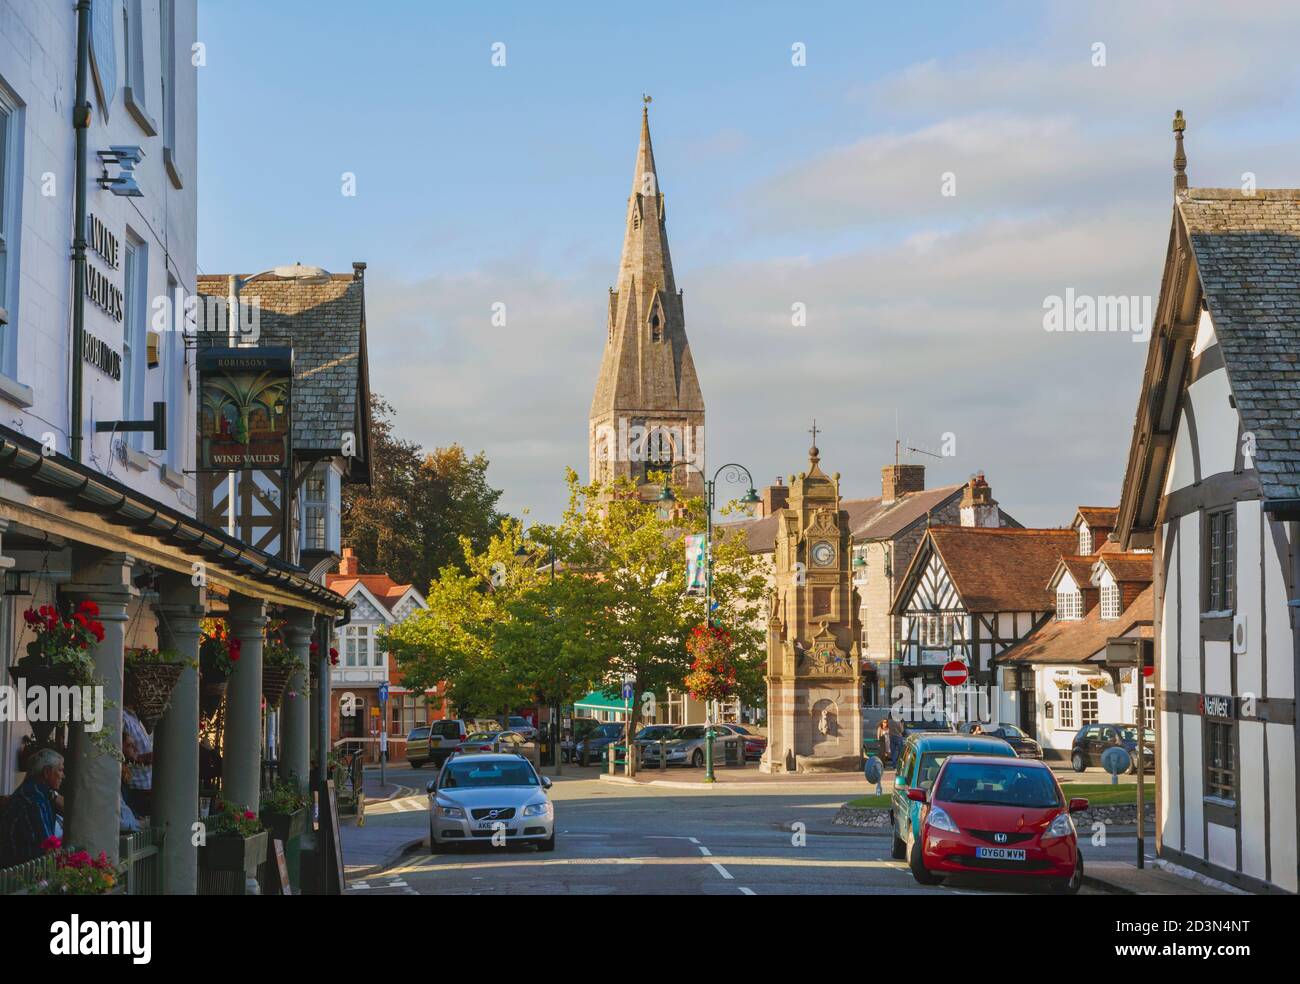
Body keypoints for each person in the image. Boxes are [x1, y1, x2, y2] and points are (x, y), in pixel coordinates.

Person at [0, 748, 64, 866]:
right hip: (18, 870)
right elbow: (49, 847)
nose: (63, 776)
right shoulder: (34, 799)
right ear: (47, 772)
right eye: (60, 770)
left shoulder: (39, 791)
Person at [122, 702, 153, 817]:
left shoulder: (135, 717)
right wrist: (141, 758)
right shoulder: (122, 717)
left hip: (147, 790)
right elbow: (116, 747)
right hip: (134, 791)